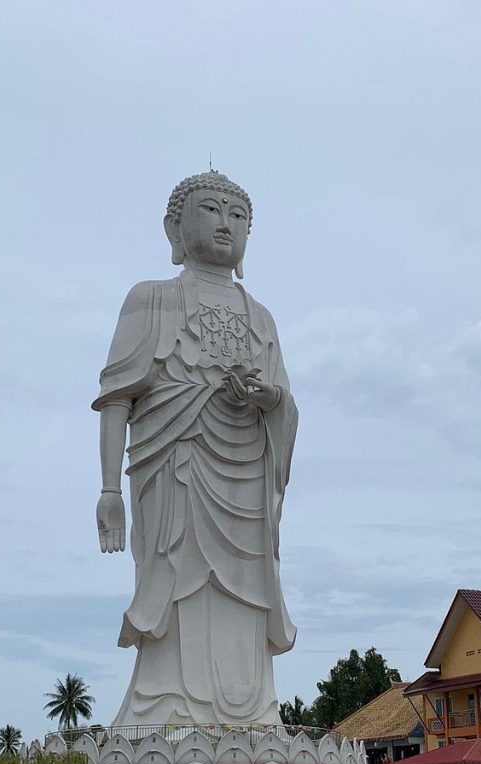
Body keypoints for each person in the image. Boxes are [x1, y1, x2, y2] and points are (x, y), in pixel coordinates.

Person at [94, 171, 298, 727]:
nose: (226, 224)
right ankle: (160, 709)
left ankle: (253, 714)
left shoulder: (261, 316)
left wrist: (268, 397)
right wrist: (109, 490)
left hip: (246, 482)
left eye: (239, 217)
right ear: (175, 228)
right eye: (210, 210)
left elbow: (284, 402)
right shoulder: (151, 299)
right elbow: (117, 398)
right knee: (176, 583)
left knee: (246, 594)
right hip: (176, 469)